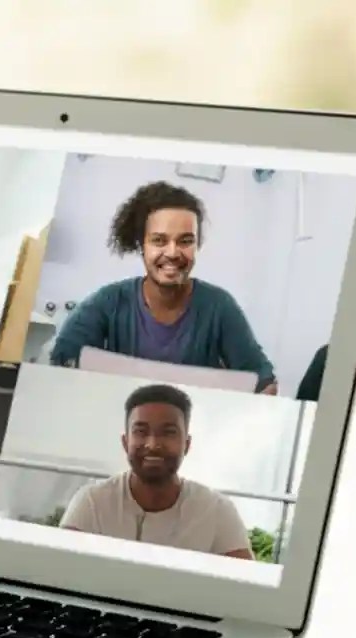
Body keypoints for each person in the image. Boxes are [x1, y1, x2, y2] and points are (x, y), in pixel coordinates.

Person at [49, 181, 278, 394]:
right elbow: (62, 359)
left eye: (185, 241)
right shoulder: (109, 302)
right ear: (141, 245)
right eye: (159, 240)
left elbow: (264, 381)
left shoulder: (219, 306)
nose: (172, 253)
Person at [59, 383, 254, 560]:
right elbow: (57, 569)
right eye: (141, 432)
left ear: (186, 444)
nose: (152, 445)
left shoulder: (217, 511)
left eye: (168, 432)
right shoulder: (92, 502)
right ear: (125, 442)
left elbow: (247, 587)